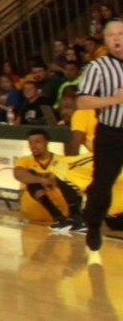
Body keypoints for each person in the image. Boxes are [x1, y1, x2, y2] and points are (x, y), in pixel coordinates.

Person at [74, 18, 123, 260]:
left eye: (121, 33)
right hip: (111, 132)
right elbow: (82, 101)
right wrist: (112, 100)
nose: (116, 38)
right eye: (111, 35)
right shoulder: (98, 67)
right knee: (102, 183)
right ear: (105, 40)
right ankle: (93, 223)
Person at [13, 129, 83, 233]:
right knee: (32, 180)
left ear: (47, 142)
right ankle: (57, 216)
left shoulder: (61, 160)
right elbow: (18, 173)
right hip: (34, 214)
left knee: (66, 178)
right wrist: (42, 180)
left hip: (63, 213)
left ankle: (75, 216)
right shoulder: (25, 160)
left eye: (37, 142)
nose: (33, 146)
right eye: (30, 142)